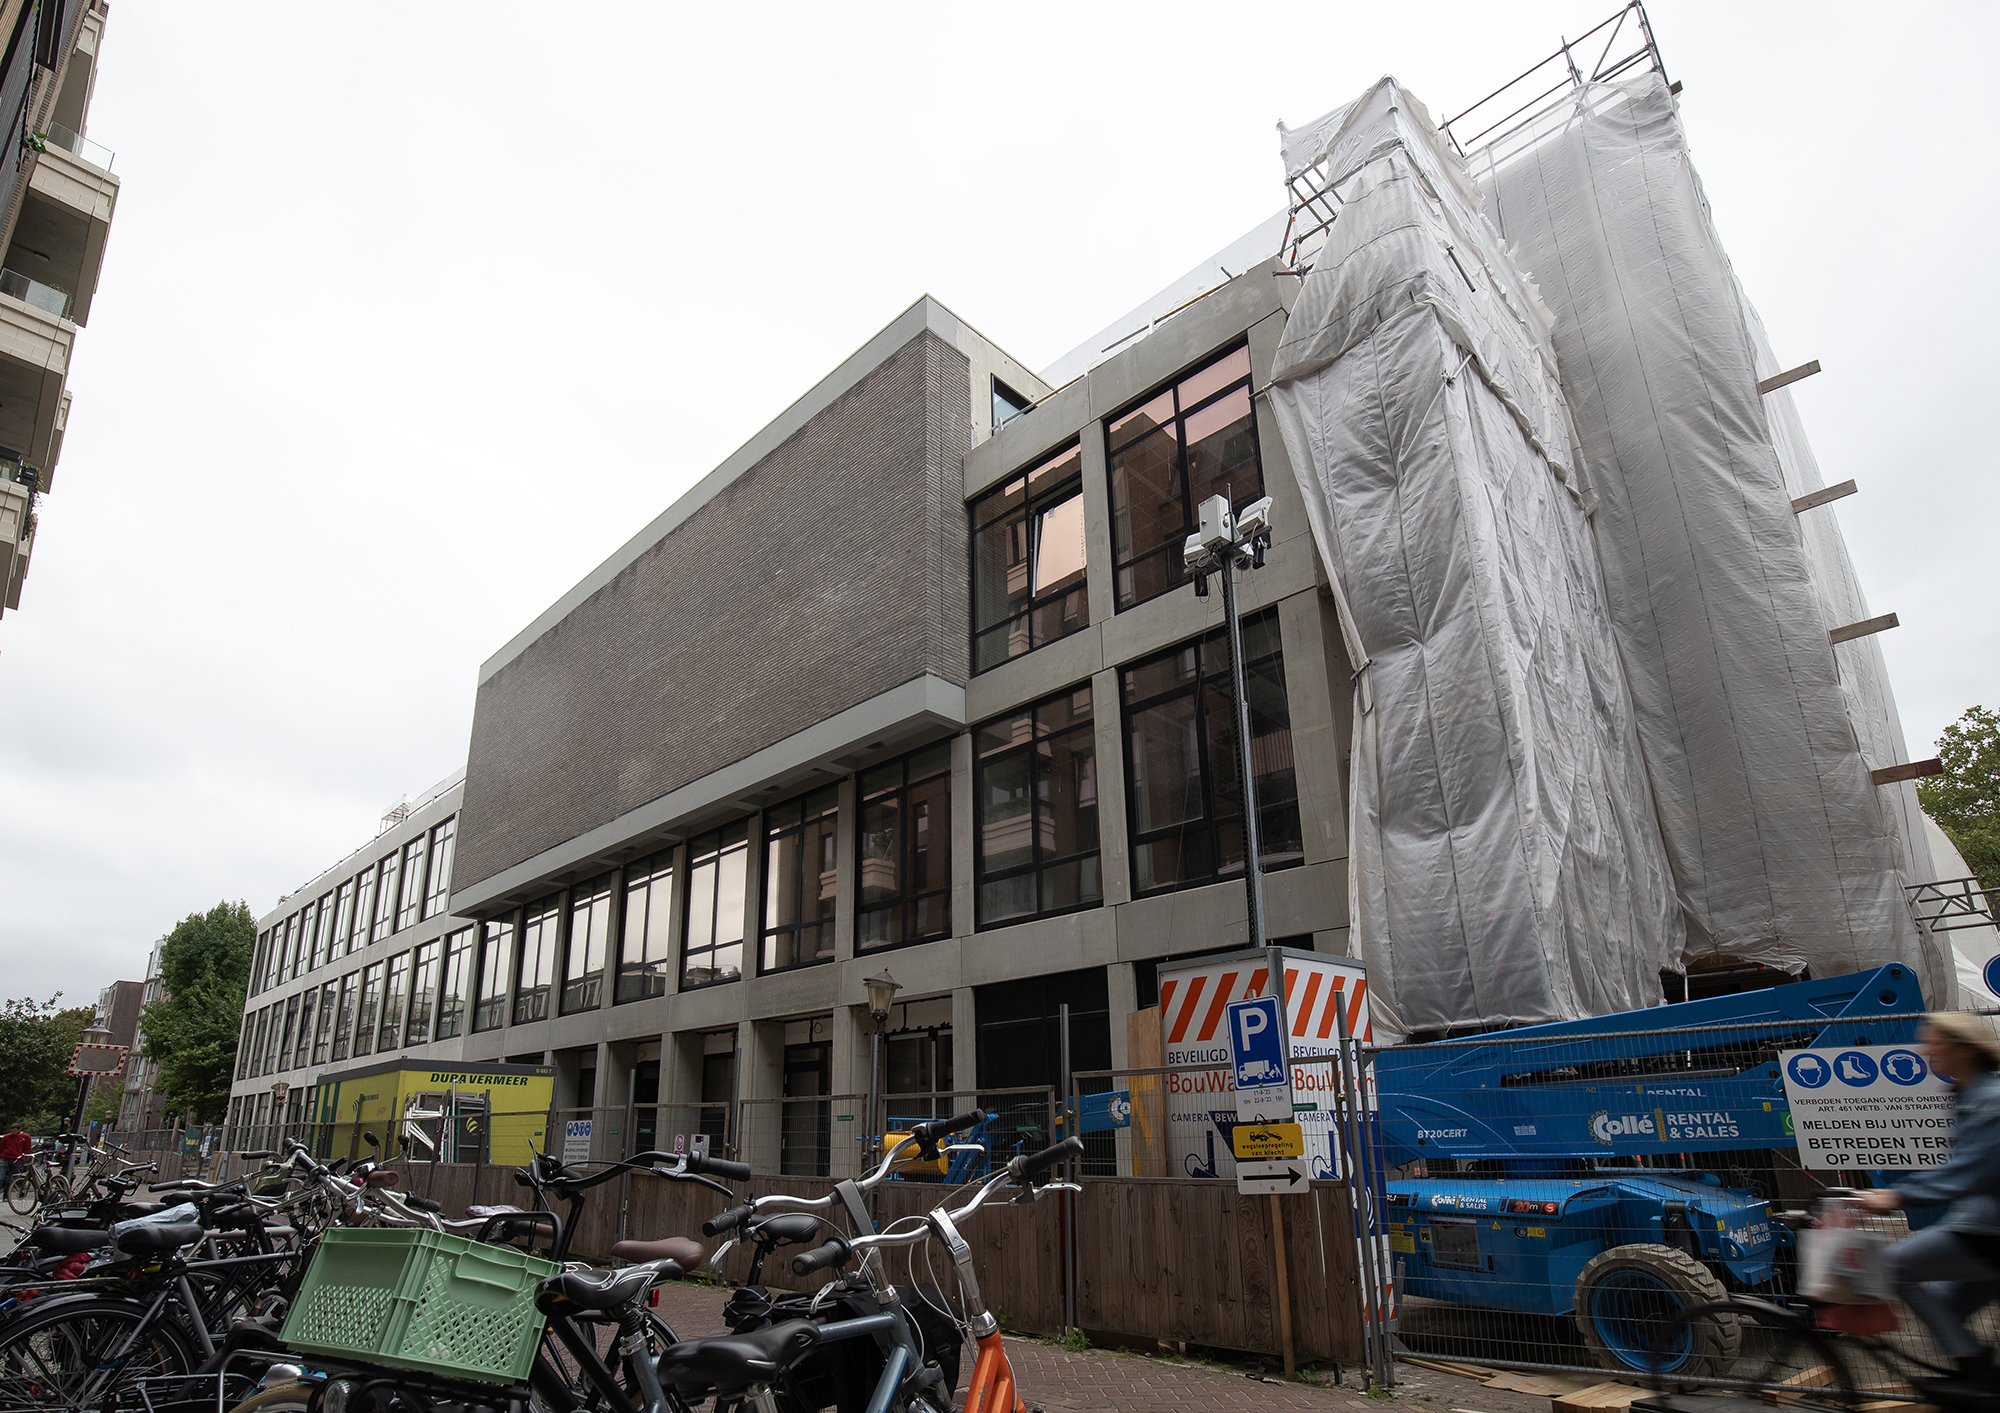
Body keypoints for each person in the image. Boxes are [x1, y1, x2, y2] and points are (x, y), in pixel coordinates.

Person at [1858, 1012, 2000, 1397]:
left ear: (1962, 1049)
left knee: (1892, 1265)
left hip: (1987, 1230)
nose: (1926, 1051)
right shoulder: (1970, 1095)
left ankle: (1975, 1368)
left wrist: (1897, 1195)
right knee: (1947, 1307)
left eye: (1934, 1042)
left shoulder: (1989, 1101)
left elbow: (1971, 1171)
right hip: (1979, 1223)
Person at [0, 1123, 29, 1190]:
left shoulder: (25, 1137)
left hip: (16, 1159)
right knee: (1, 1176)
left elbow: (27, 1150)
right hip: (5, 1158)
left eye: (15, 1131)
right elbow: (1, 1147)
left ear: (19, 1129)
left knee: (10, 1178)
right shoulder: (6, 1137)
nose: (13, 1133)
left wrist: (22, 1159)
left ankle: (6, 1195)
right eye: (12, 1131)